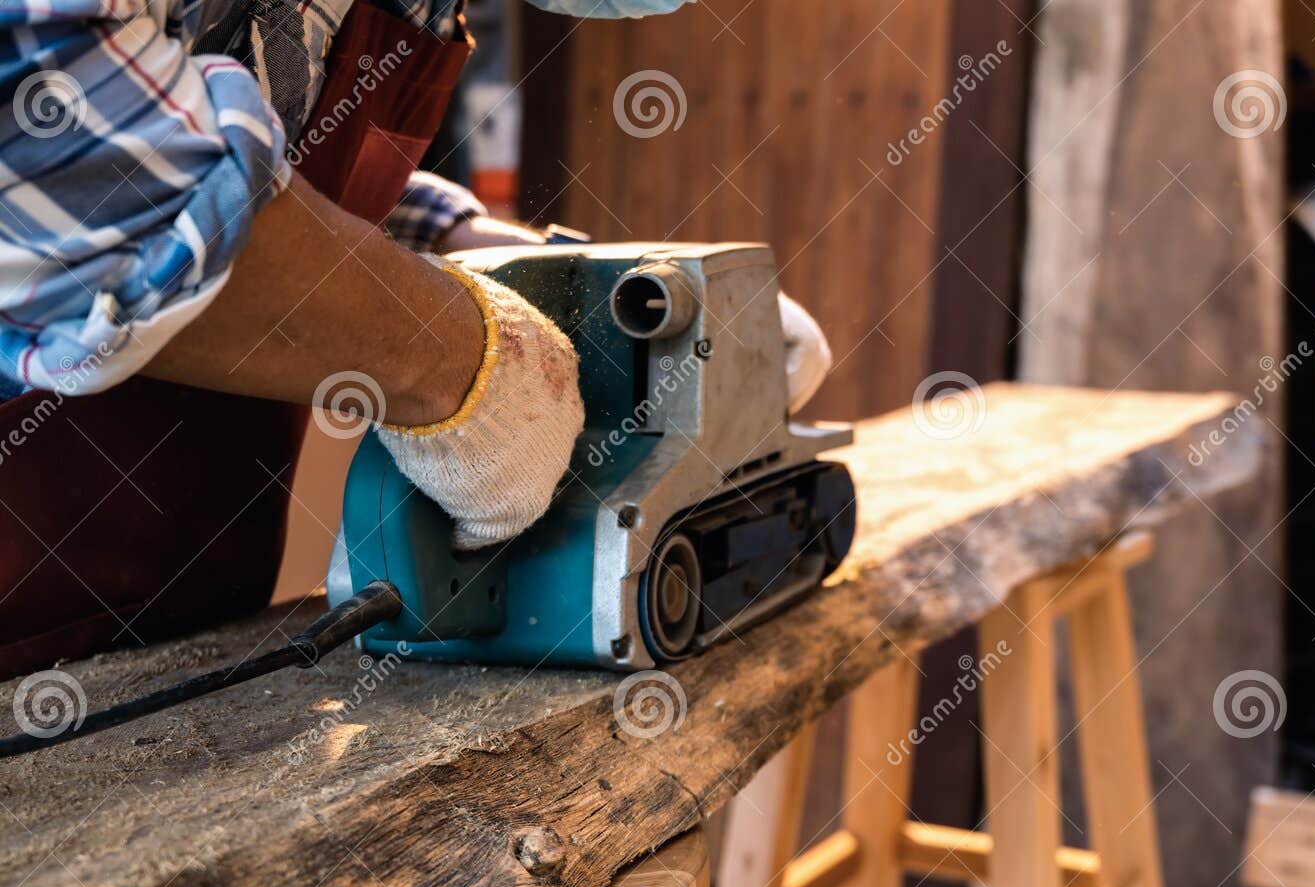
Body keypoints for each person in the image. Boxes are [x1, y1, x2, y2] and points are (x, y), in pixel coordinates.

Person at [0, 0, 830, 677]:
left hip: (182, 630)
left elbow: (271, 153)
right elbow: (53, 158)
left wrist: (558, 274)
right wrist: (455, 364)